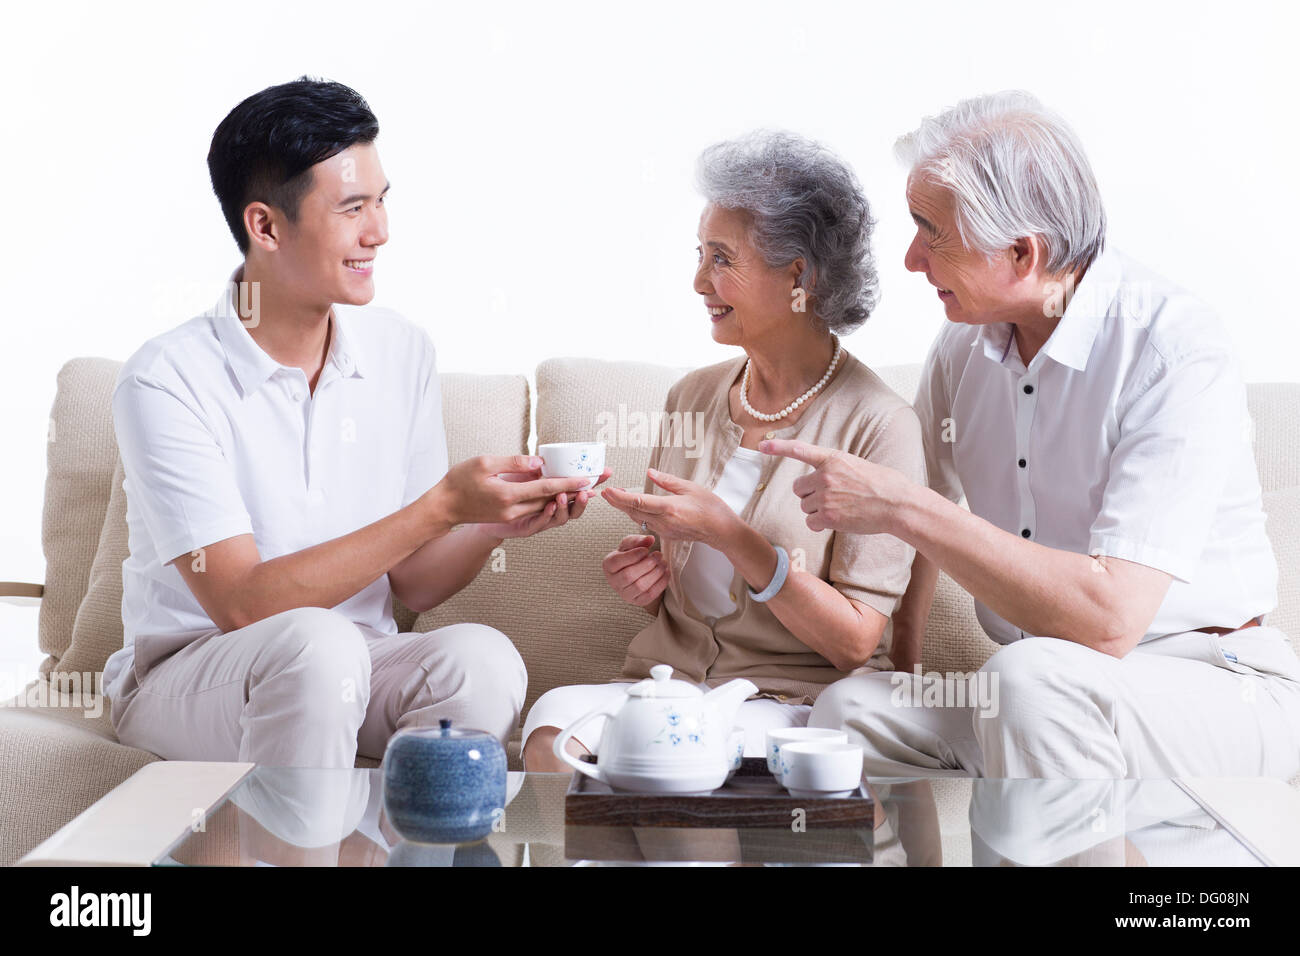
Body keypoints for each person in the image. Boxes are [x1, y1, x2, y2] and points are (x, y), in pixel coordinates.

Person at [762, 90, 1300, 778]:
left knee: (1030, 681)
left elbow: (1110, 623)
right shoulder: (965, 349)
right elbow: (929, 504)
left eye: (932, 232)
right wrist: (902, 661)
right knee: (850, 713)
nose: (910, 259)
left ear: (1021, 253)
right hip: (1042, 690)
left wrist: (899, 504)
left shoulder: (1171, 347)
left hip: (1212, 687)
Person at [101, 77, 608, 767]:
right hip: (196, 674)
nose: (381, 230)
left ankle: (396, 848)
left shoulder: (401, 352)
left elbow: (415, 584)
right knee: (315, 645)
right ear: (266, 225)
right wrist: (440, 506)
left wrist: (489, 520)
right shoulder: (168, 379)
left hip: (358, 662)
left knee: (481, 661)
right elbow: (243, 605)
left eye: (382, 200)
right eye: (353, 208)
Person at [521, 130, 926, 770]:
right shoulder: (692, 397)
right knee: (552, 735)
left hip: (790, 701)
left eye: (721, 258)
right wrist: (648, 581)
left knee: (678, 760)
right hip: (670, 687)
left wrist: (735, 539)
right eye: (700, 253)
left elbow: (854, 643)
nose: (697, 280)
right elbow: (683, 590)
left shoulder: (879, 425)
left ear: (800, 275)